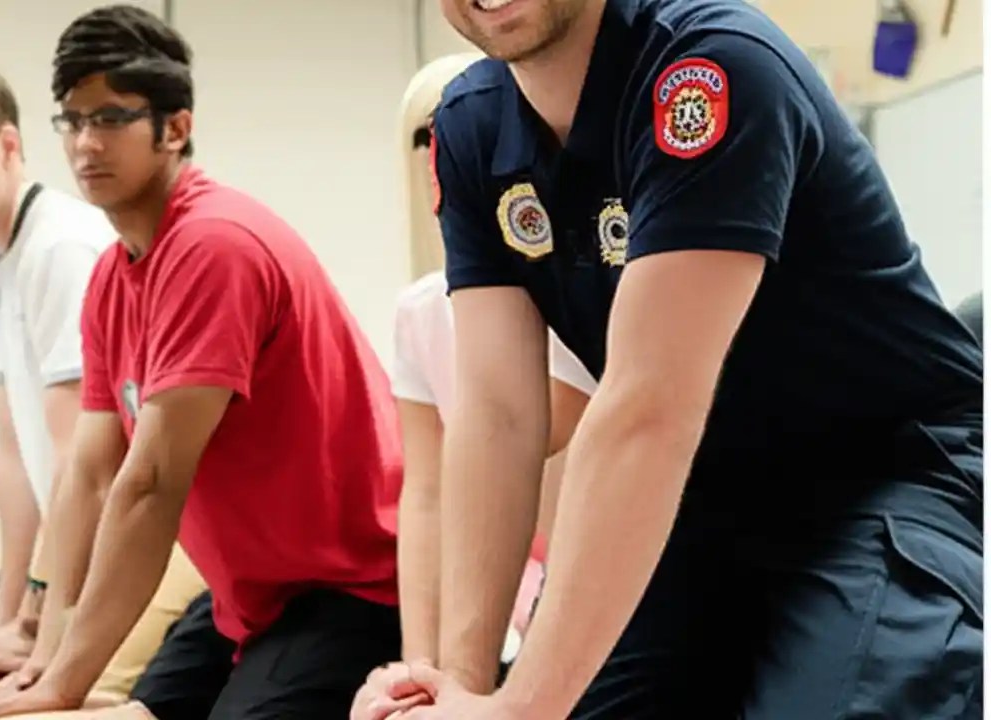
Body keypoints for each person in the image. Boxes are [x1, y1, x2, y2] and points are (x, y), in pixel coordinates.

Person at [358, 0, 984, 718]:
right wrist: (458, 686)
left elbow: (649, 410)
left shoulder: (710, 66)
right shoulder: (469, 129)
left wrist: (515, 712)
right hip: (705, 500)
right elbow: (499, 417)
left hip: (883, 478)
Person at [0, 5, 405, 719]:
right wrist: (44, 663)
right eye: (73, 121)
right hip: (248, 596)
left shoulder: (213, 247)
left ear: (175, 128)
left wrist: (63, 682)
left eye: (111, 118)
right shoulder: (115, 274)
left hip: (351, 592)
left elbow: (149, 485)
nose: (86, 142)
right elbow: (89, 473)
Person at [0, 54, 208, 707]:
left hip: (152, 541)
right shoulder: (0, 267)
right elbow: (18, 464)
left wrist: (44, 626)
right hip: (85, 543)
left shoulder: (60, 249)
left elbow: (85, 467)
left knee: (47, 701)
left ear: (7, 144)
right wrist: (8, 616)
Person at [387, 54, 597, 674]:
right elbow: (424, 495)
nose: (443, 149)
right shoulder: (420, 312)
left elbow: (532, 442)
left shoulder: (578, 293)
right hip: (499, 602)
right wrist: (420, 664)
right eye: (425, 136)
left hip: (591, 586)